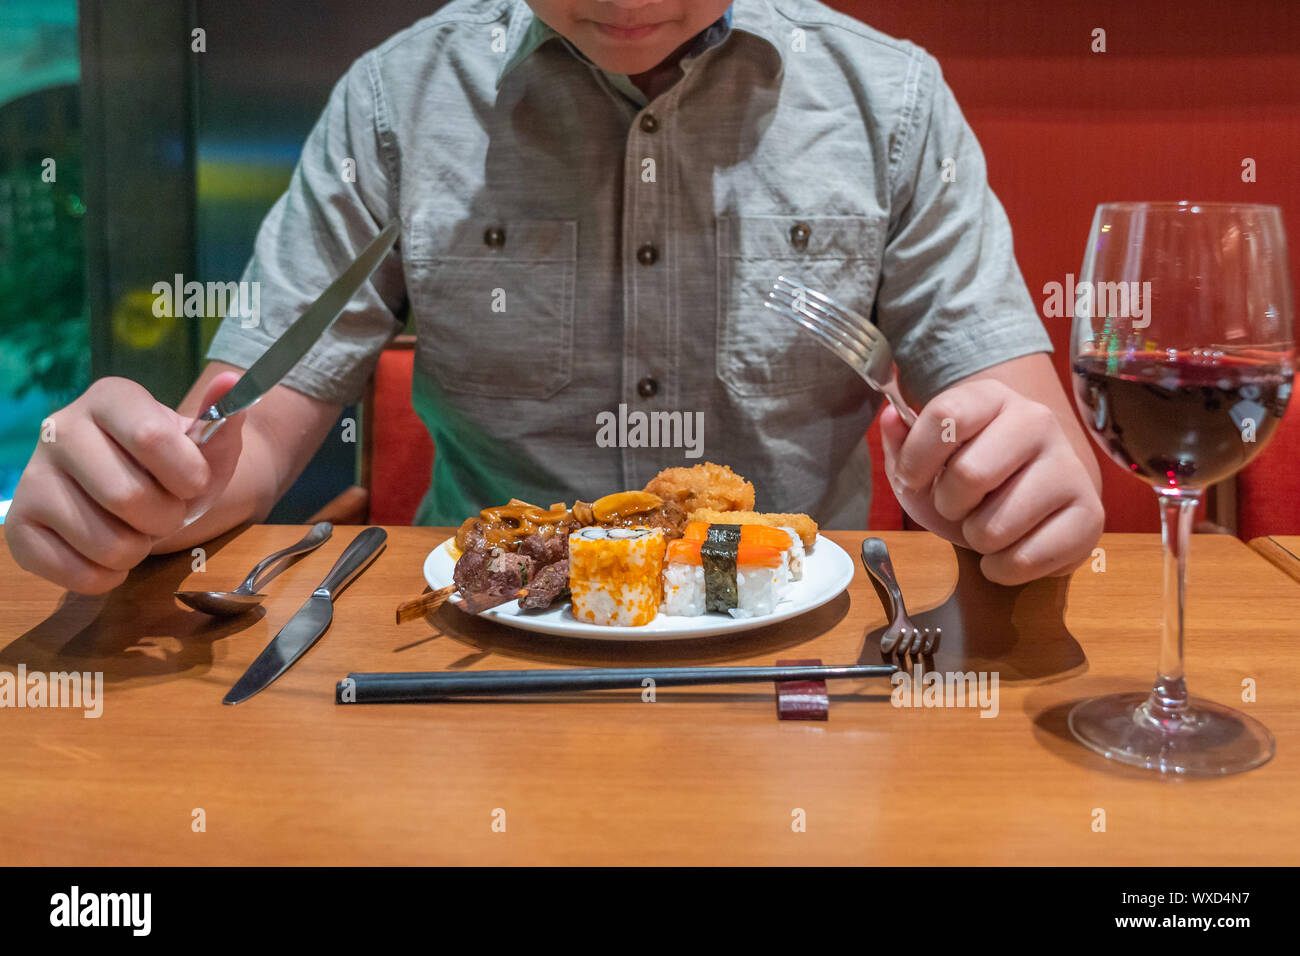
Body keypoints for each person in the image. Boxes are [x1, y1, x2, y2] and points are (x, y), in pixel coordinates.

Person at [6, 0, 1103, 594]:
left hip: (786, 643)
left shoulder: (891, 103)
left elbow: (1018, 416)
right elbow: (246, 433)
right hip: (477, 637)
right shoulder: (397, 103)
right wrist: (147, 493)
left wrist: (1030, 481)